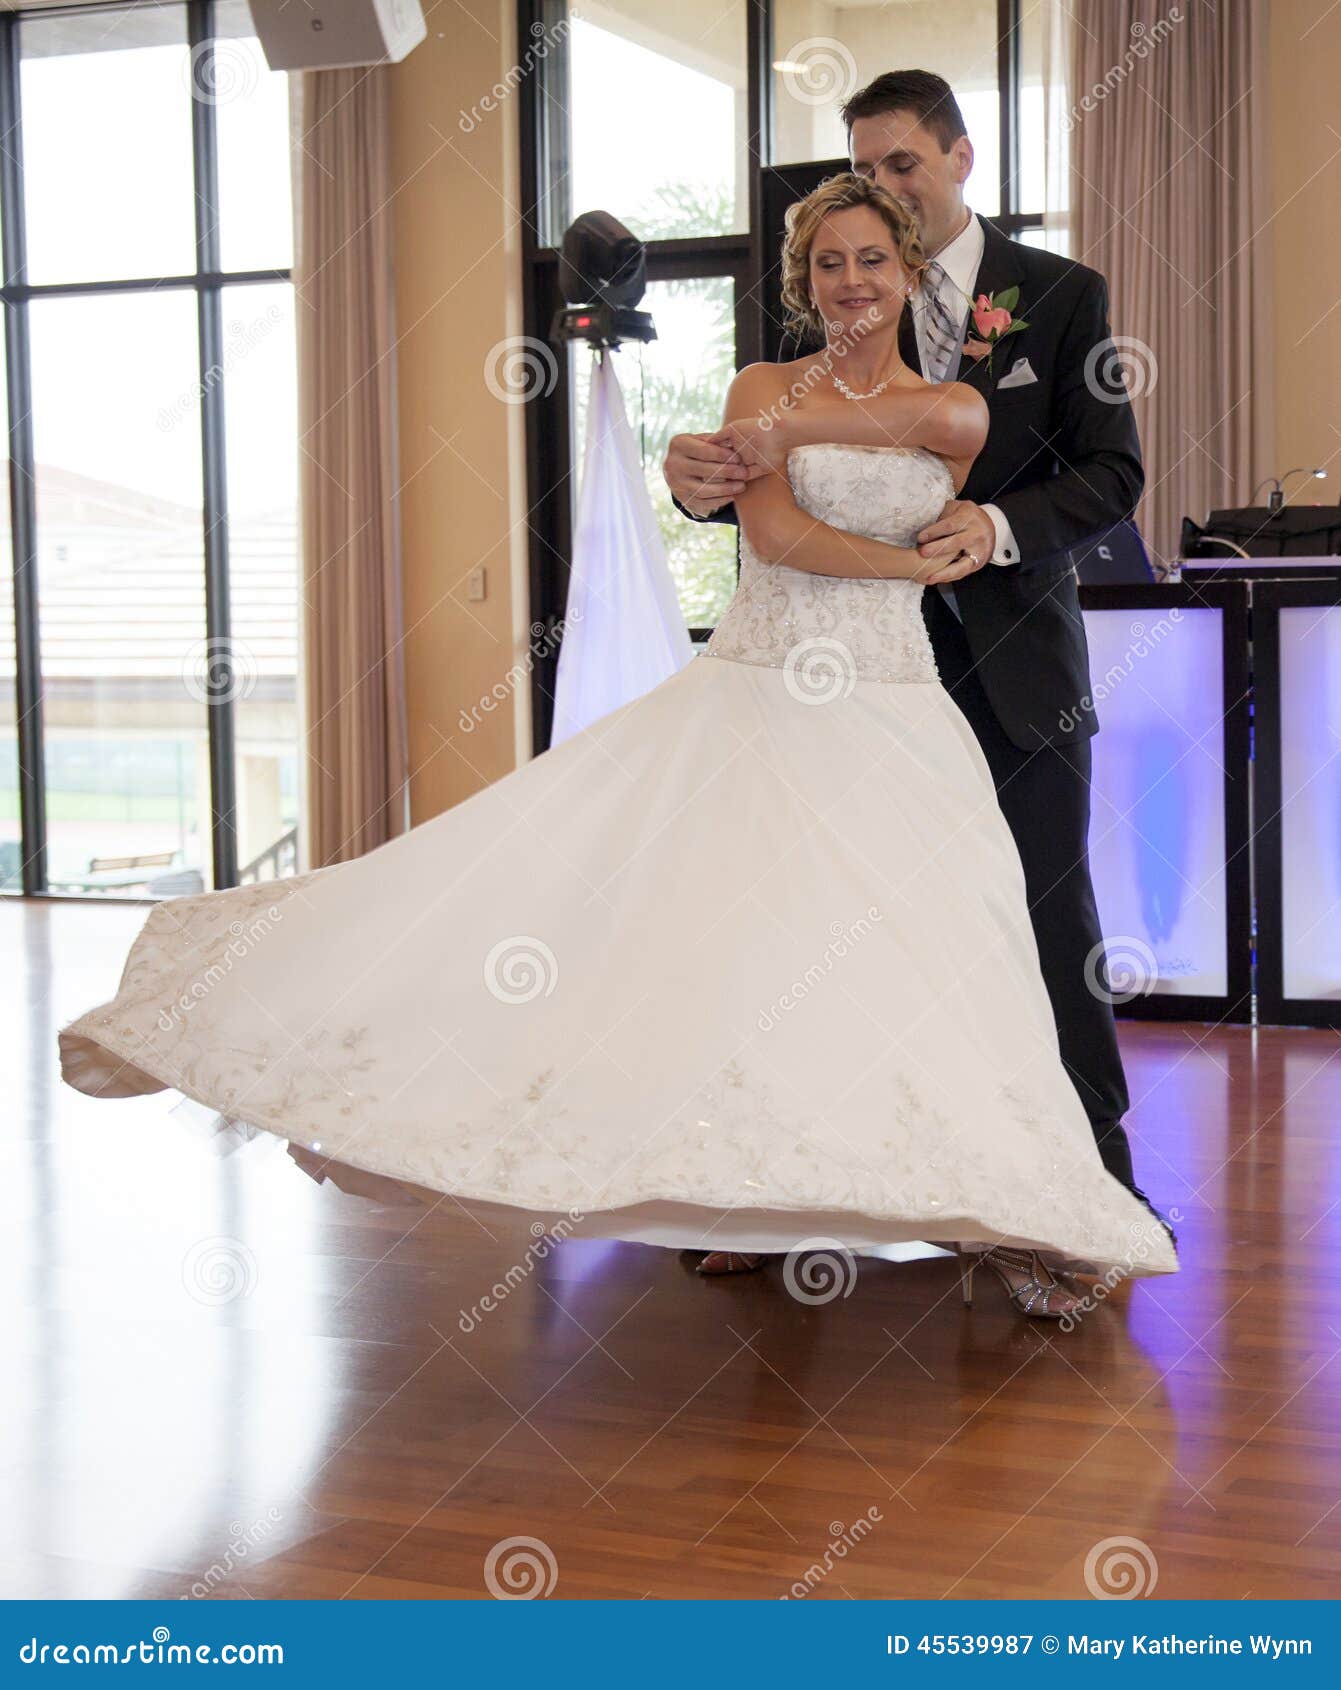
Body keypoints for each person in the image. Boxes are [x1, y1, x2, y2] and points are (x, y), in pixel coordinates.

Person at [58, 174, 1177, 1323]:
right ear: (804, 281)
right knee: (735, 946)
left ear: (909, 268)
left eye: (872, 259)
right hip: (765, 692)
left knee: (947, 954)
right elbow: (779, 535)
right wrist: (907, 558)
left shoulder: (950, 402)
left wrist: (788, 441)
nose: (852, 280)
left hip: (899, 703)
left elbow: (955, 437)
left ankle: (1008, 1205)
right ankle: (731, 1193)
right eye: (829, 262)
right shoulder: (757, 384)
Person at [664, 70, 1173, 1250]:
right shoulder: (815, 323)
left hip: (1014, 674)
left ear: (959, 159)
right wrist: (689, 484)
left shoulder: (1060, 295)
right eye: (862, 167)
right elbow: (760, 470)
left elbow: (1113, 473)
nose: (881, 187)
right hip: (834, 680)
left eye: (901, 163)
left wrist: (996, 527)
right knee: (808, 927)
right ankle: (779, 1189)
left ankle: (1087, 1194)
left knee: (1040, 918)